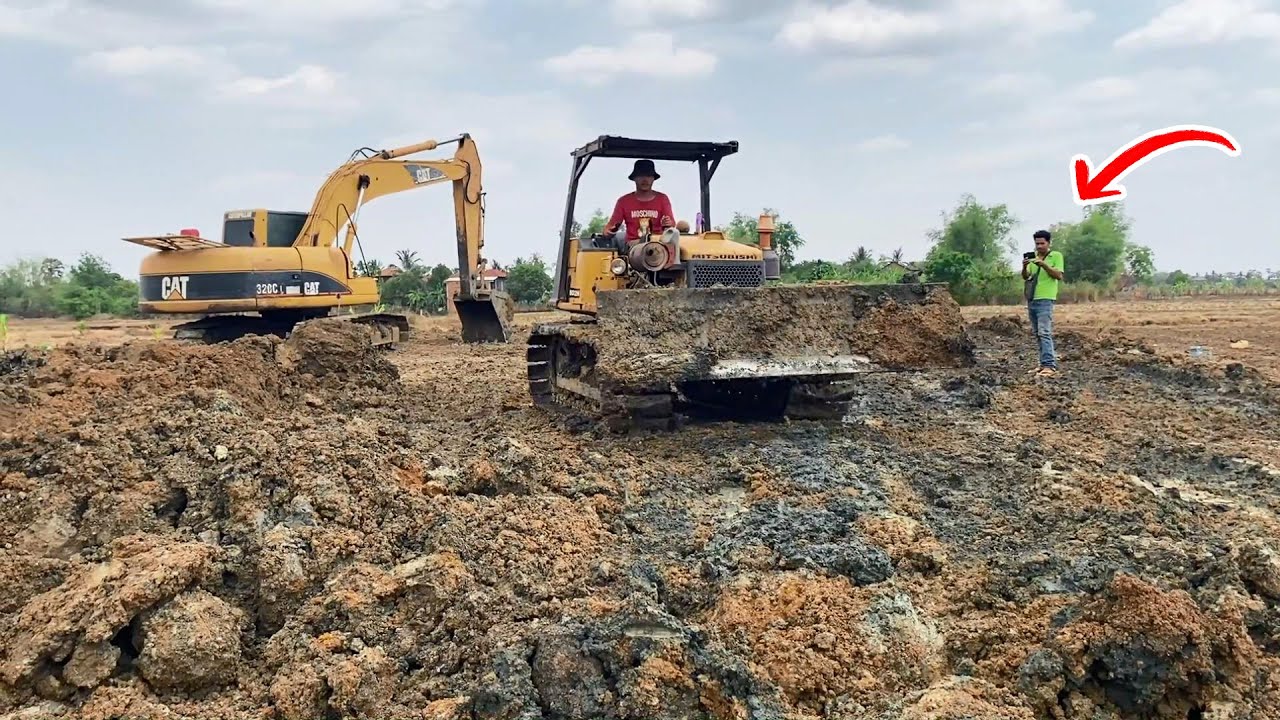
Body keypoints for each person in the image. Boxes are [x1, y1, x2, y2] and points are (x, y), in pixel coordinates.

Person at [1022, 229, 1065, 377]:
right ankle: (1042, 364)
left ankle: (1049, 365)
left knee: (1044, 332)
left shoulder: (1056, 256)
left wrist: (1044, 265)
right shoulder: (1033, 259)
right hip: (1032, 298)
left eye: (1042, 243)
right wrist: (1024, 265)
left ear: (1048, 243)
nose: (1039, 246)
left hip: (1046, 298)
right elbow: (1026, 276)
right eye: (1037, 243)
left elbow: (1058, 275)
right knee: (1037, 333)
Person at [602, 159, 675, 246]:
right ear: (634, 178)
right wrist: (609, 231)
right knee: (646, 249)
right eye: (641, 176)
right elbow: (610, 227)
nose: (645, 180)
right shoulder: (623, 201)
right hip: (633, 244)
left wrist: (668, 224)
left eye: (648, 176)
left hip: (658, 243)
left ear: (653, 179)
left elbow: (672, 225)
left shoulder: (662, 199)